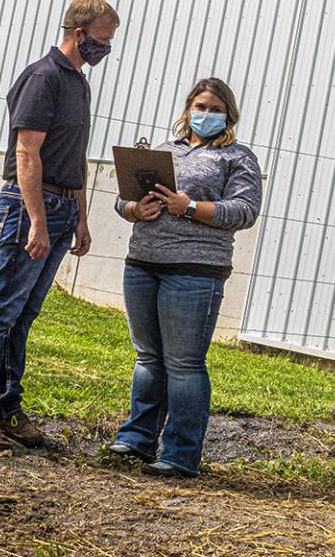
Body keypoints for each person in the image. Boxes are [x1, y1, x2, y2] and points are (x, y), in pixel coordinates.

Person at [0, 0, 120, 451]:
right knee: (2, 308)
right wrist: (37, 223)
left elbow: (74, 156)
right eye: (103, 39)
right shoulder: (43, 78)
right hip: (31, 206)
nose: (107, 49)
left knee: (23, 315)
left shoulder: (78, 84)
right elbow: (27, 153)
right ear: (79, 34)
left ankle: (5, 407)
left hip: (63, 206)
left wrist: (80, 216)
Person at [108, 78, 263, 477]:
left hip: (196, 271)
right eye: (200, 106)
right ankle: (137, 438)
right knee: (148, 358)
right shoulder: (162, 151)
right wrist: (133, 209)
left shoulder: (237, 157)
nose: (205, 114)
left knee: (184, 364)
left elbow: (244, 211)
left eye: (214, 108)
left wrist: (189, 206)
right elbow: (122, 198)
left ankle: (180, 453)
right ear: (187, 108)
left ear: (228, 113)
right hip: (143, 262)